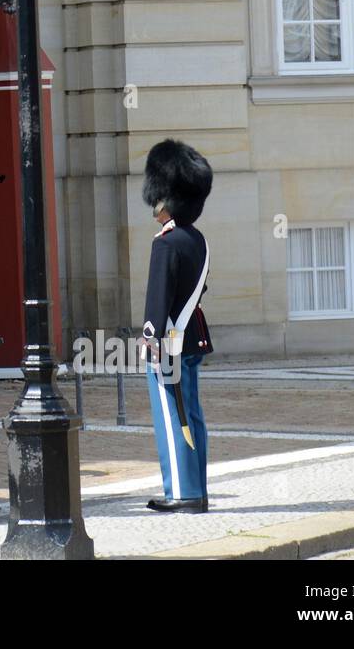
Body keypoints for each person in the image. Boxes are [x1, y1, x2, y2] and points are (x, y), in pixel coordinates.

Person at [139, 138, 214, 514]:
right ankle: (196, 487)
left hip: (169, 342)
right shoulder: (196, 239)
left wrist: (149, 337)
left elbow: (159, 296)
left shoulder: (166, 243)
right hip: (192, 338)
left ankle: (182, 493)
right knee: (192, 415)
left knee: (172, 417)